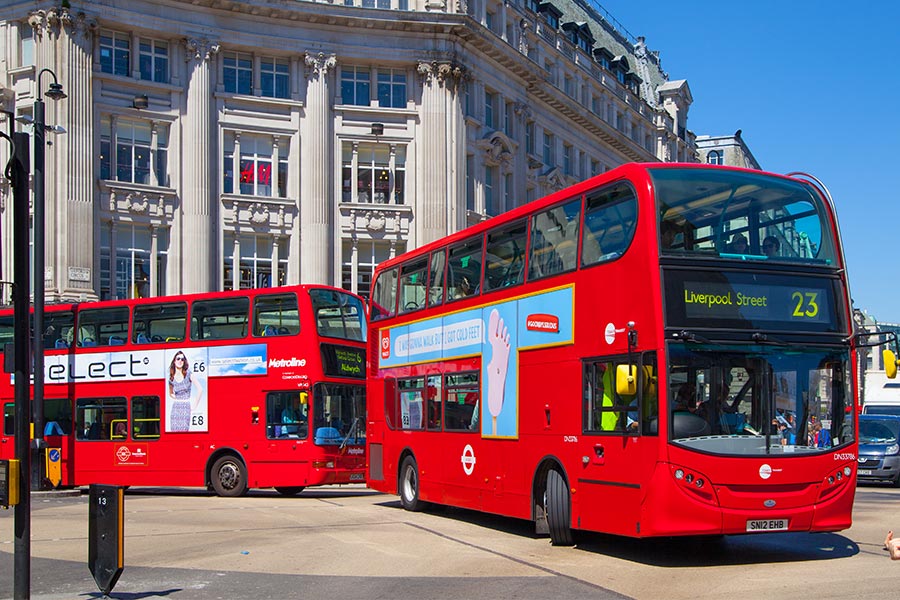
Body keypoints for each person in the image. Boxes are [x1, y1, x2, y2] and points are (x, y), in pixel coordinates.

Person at [168, 351, 203, 432]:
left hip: (185, 406)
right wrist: (177, 398)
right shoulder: (171, 378)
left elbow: (200, 389)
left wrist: (194, 406)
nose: (180, 361)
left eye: (182, 359)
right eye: (178, 358)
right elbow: (171, 393)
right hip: (175, 408)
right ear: (174, 361)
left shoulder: (188, 374)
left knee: (184, 431)